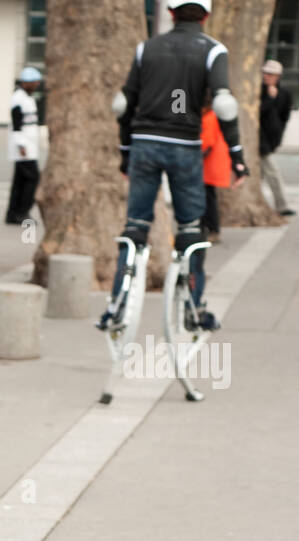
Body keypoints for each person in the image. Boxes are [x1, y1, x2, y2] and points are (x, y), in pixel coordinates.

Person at [97, 0, 247, 335]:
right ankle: (194, 306)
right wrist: (236, 155)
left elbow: (124, 104)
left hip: (144, 145)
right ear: (206, 15)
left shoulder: (146, 49)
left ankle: (116, 305)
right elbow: (223, 103)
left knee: (135, 226)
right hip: (185, 148)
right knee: (192, 229)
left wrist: (125, 152)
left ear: (170, 12)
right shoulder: (213, 50)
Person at [4, 66, 42, 225]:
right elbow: (17, 124)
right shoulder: (18, 99)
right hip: (23, 148)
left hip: (29, 146)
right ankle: (22, 211)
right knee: (32, 178)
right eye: (34, 82)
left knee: (20, 181)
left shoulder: (28, 98)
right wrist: (22, 145)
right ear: (26, 83)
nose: (36, 85)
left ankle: (13, 213)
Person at [259, 59, 294, 217]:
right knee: (272, 172)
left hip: (271, 138)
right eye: (265, 73)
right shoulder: (259, 90)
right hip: (259, 139)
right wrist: (269, 98)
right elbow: (257, 113)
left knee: (261, 173)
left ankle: (277, 204)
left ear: (278, 76)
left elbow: (284, 116)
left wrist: (278, 138)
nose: (267, 76)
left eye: (271, 74)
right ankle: (282, 205)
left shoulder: (285, 93)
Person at [200, 95, 230, 243]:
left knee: (208, 198)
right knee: (208, 197)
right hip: (210, 165)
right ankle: (209, 227)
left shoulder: (210, 117)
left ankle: (212, 229)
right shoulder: (211, 116)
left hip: (209, 165)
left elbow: (207, 142)